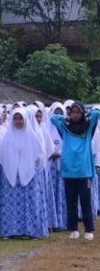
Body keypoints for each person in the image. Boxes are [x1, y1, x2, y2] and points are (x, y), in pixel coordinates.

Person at [0, 106, 49, 238]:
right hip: (11, 174)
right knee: (10, 203)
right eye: (15, 118)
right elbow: (1, 154)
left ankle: (32, 231)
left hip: (30, 175)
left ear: (25, 120)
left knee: (30, 202)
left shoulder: (32, 137)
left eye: (20, 118)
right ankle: (11, 231)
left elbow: (39, 155)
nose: (18, 121)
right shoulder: (7, 137)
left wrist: (27, 164)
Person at [49, 100, 100, 240]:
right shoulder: (65, 127)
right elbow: (53, 117)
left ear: (82, 113)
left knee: (85, 200)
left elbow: (97, 113)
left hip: (84, 171)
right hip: (68, 170)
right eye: (73, 112)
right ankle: (73, 229)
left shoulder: (88, 127)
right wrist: (66, 117)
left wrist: (85, 114)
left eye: (78, 112)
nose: (75, 115)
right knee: (70, 200)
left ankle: (89, 229)